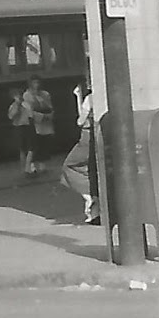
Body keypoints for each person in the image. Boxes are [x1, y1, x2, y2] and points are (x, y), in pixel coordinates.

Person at [61, 83, 100, 223]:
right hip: (101, 136)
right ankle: (94, 208)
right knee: (94, 169)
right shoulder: (104, 97)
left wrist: (78, 98)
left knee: (70, 166)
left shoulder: (90, 98)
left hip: (88, 137)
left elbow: (80, 121)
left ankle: (91, 198)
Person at [23, 76, 55, 174]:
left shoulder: (45, 94)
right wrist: (40, 115)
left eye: (37, 82)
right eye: (34, 83)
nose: (36, 85)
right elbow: (29, 109)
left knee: (43, 143)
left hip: (45, 121)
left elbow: (49, 106)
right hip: (33, 121)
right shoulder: (27, 95)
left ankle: (42, 165)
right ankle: (29, 167)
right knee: (33, 146)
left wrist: (48, 114)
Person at [7, 86, 34, 174]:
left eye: (19, 95)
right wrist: (17, 106)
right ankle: (24, 168)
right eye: (16, 96)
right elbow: (11, 116)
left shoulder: (26, 104)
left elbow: (31, 114)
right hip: (18, 127)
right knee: (22, 149)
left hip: (27, 126)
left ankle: (28, 167)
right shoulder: (13, 106)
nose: (18, 97)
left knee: (31, 147)